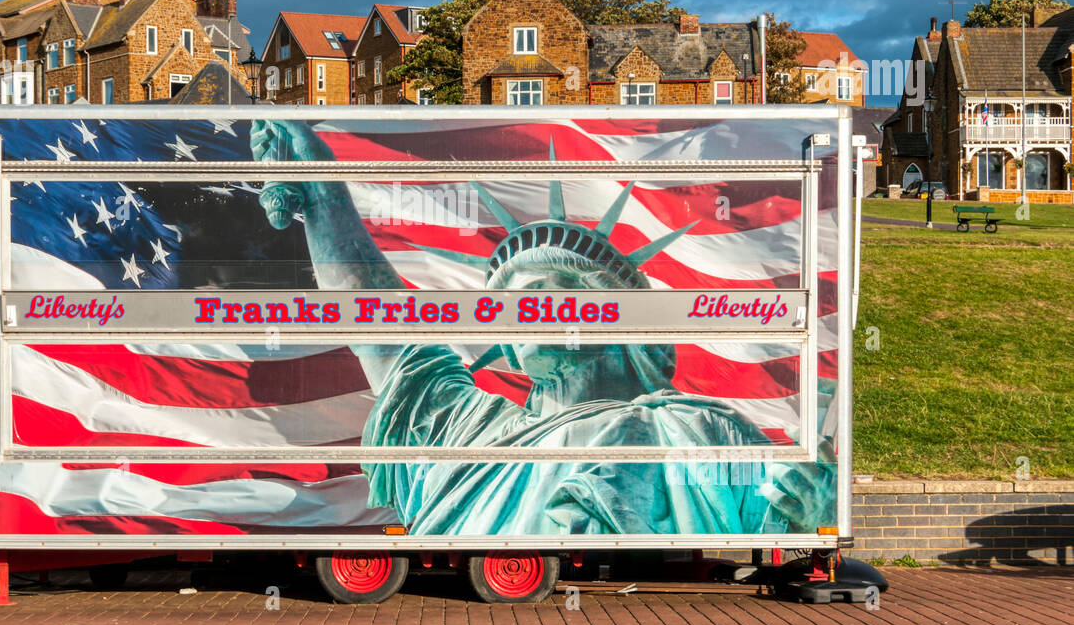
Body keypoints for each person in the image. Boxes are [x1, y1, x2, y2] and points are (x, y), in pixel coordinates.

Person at [251, 119, 836, 537]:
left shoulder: (700, 428)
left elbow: (779, 507)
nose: (531, 307)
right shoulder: (465, 425)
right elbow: (375, 318)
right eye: (515, 300)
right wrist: (320, 184)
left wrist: (811, 494)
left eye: (562, 288)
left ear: (629, 331)